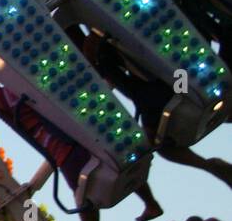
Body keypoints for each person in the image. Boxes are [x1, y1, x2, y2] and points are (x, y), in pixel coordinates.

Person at [0, 60, 163, 221]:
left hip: (62, 146)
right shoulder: (24, 85)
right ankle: (150, 203)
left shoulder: (6, 95)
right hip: (80, 134)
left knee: (83, 195)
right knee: (116, 165)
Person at [77, 29, 232, 188]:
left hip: (175, 84)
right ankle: (210, 166)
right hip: (179, 81)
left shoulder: (146, 96)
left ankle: (209, 166)